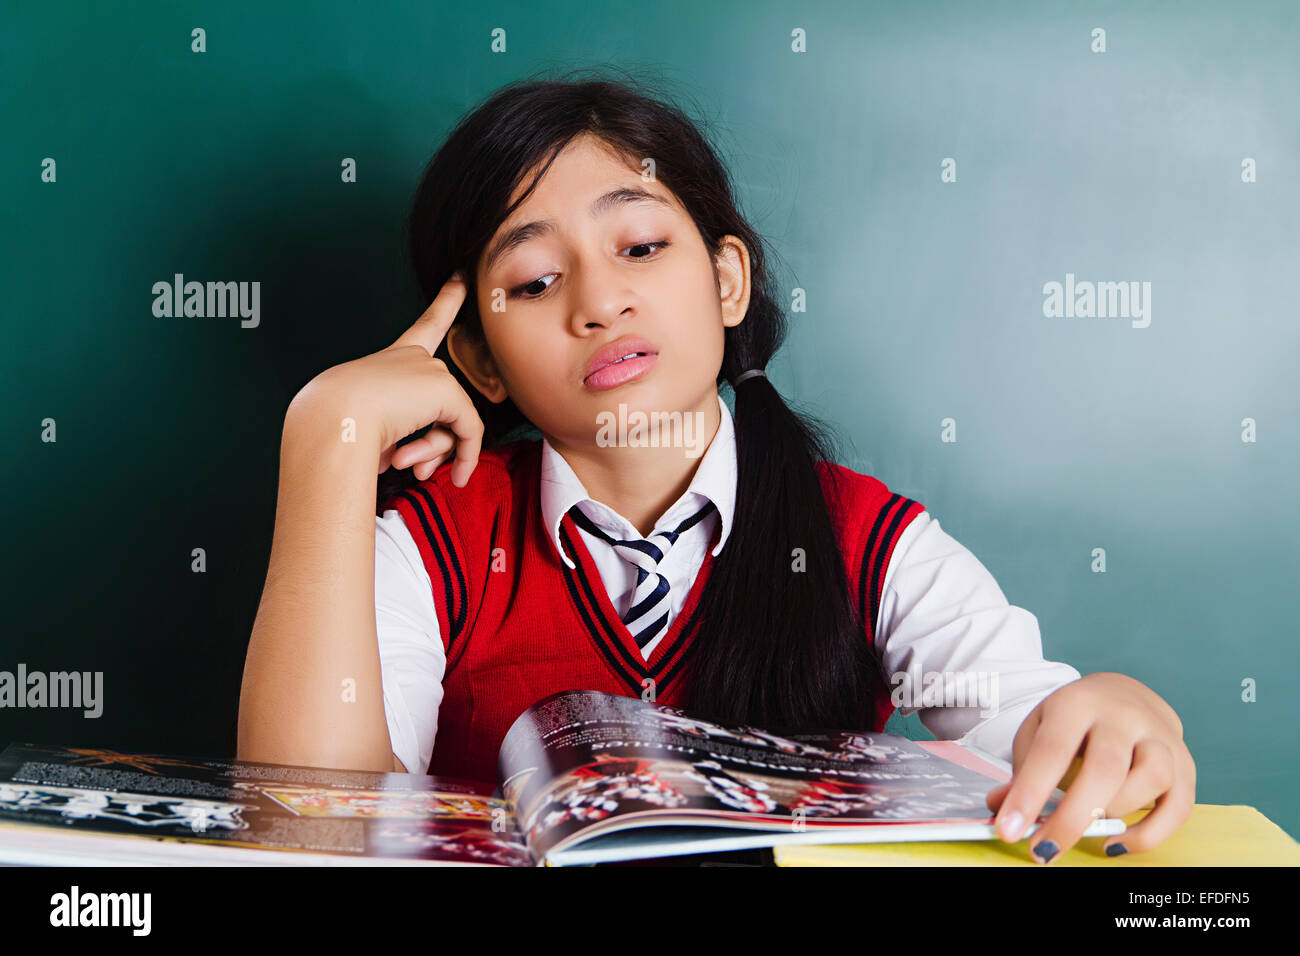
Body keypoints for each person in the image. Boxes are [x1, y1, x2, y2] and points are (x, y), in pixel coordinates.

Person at [237, 71, 1194, 864]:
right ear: (480, 359)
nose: (601, 301)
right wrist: (329, 438)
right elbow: (303, 828)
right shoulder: (434, 547)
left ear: (727, 278)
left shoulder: (870, 541)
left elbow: (1027, 719)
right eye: (533, 282)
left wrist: (1099, 714)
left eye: (642, 246)